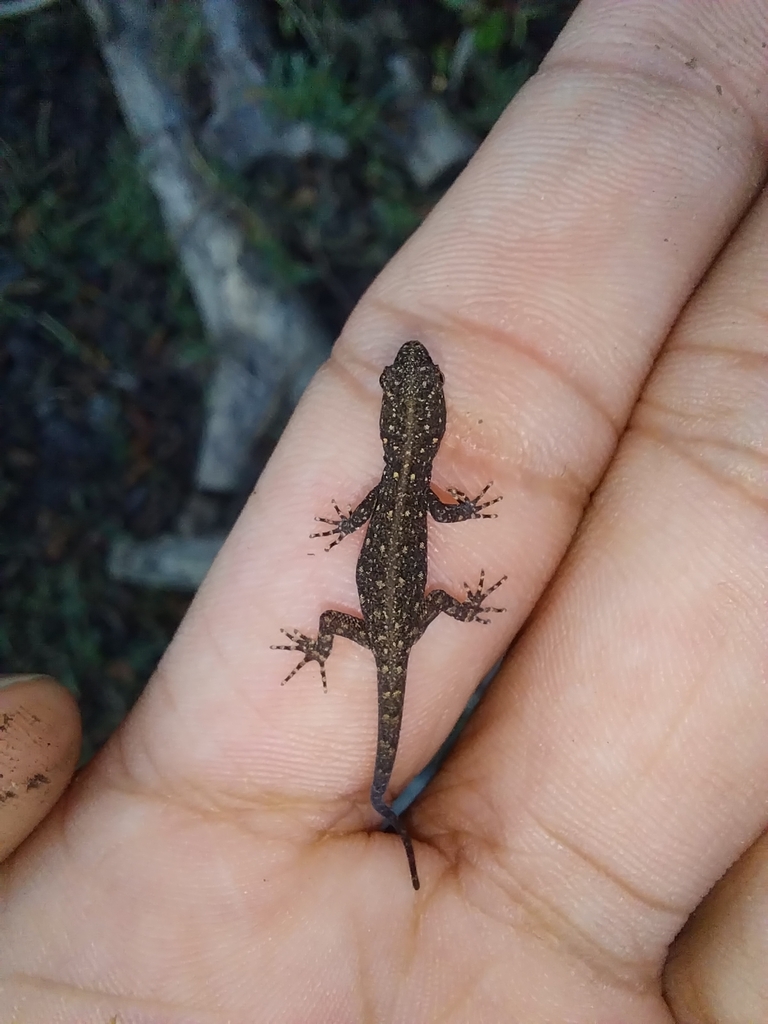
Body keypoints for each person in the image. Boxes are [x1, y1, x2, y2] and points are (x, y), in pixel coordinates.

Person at [2, 0, 767, 1019]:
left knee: (389, 651)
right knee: (403, 654)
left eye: (418, 393)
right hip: (397, 618)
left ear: (411, 423)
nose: (416, 397)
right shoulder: (415, 494)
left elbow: (381, 524)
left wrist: (360, 608)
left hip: (393, 617)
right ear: (420, 425)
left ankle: (359, 730)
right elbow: (420, 521)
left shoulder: (388, 492)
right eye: (416, 395)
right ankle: (369, 760)